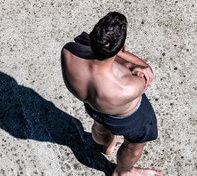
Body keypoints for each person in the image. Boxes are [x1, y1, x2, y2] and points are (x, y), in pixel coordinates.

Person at [61, 12, 161, 176]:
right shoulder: (127, 88)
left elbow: (88, 49)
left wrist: (101, 49)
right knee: (133, 146)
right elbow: (146, 70)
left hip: (95, 107)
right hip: (128, 118)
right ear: (121, 48)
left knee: (101, 127)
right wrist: (123, 57)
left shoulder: (69, 52)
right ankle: (123, 172)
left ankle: (107, 146)